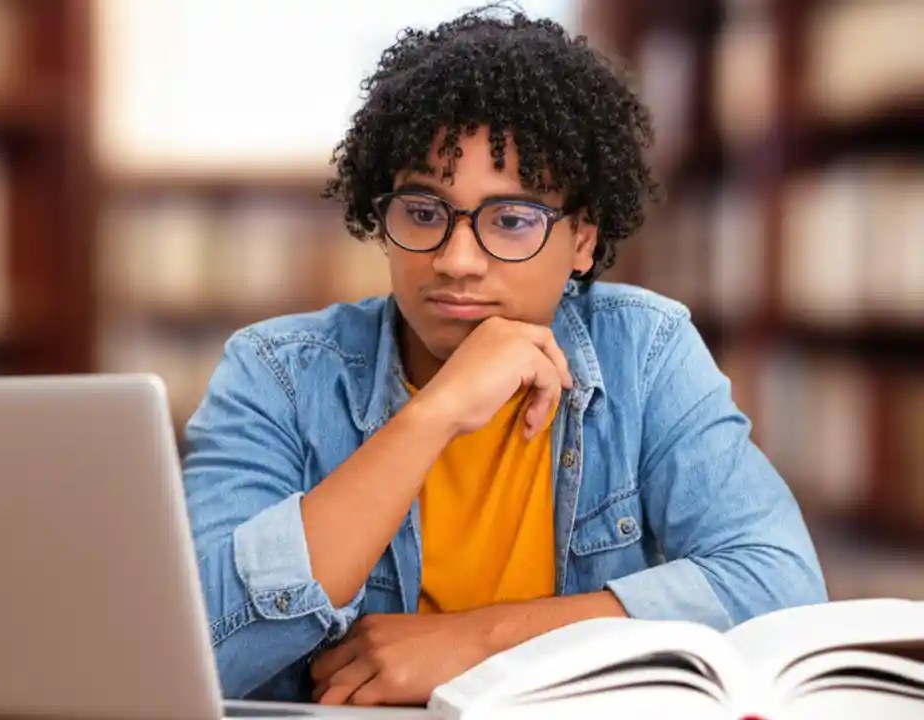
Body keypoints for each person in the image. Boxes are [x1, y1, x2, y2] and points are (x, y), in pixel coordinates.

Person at [180, 4, 826, 707]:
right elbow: (198, 651)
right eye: (424, 212)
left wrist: (485, 641)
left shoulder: (646, 352)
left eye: (512, 220)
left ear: (582, 240)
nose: (457, 261)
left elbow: (780, 586)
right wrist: (434, 415)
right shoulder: (276, 372)